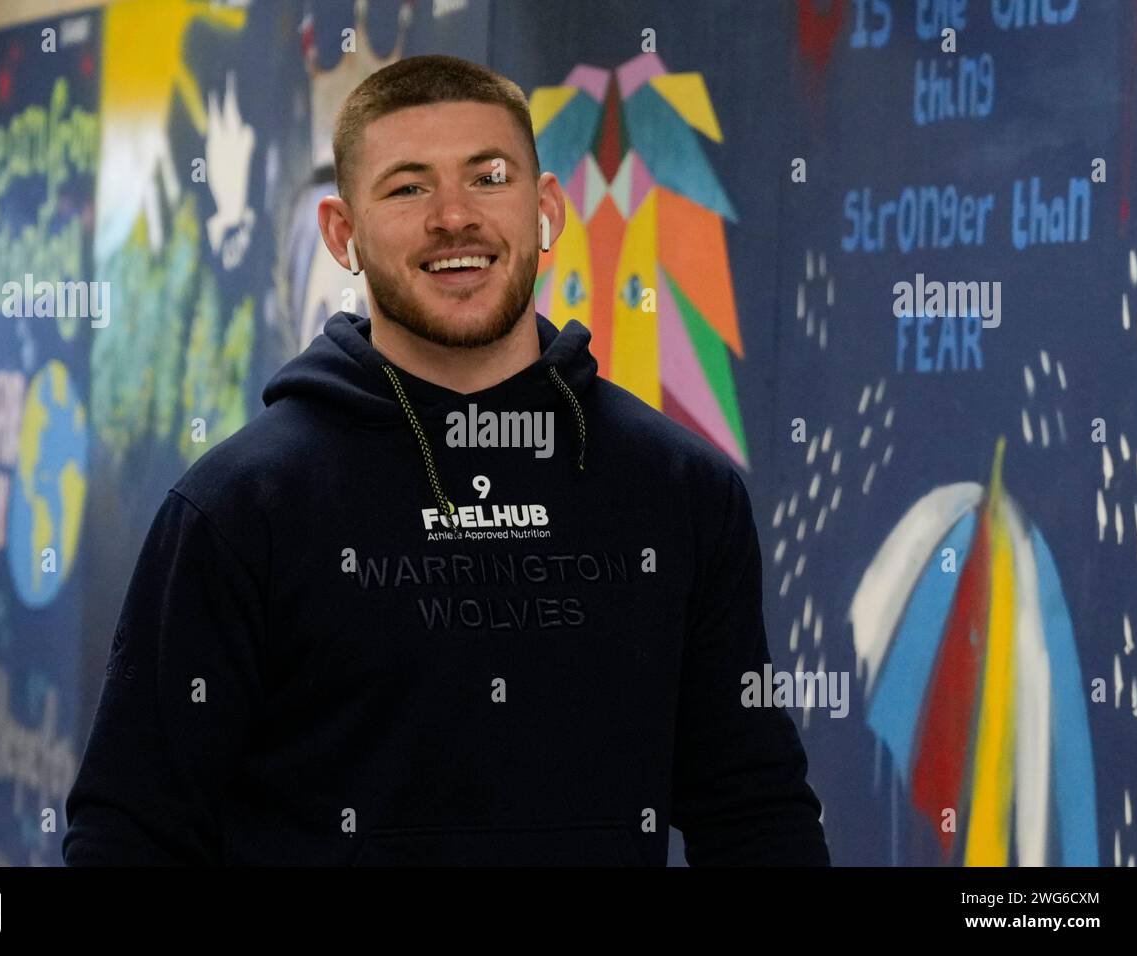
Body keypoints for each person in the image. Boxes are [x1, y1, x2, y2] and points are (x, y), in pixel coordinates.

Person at [63, 54, 829, 866]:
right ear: (341, 233)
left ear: (546, 212)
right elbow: (130, 834)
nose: (453, 216)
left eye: (488, 177)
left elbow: (754, 809)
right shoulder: (237, 511)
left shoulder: (681, 493)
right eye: (407, 187)